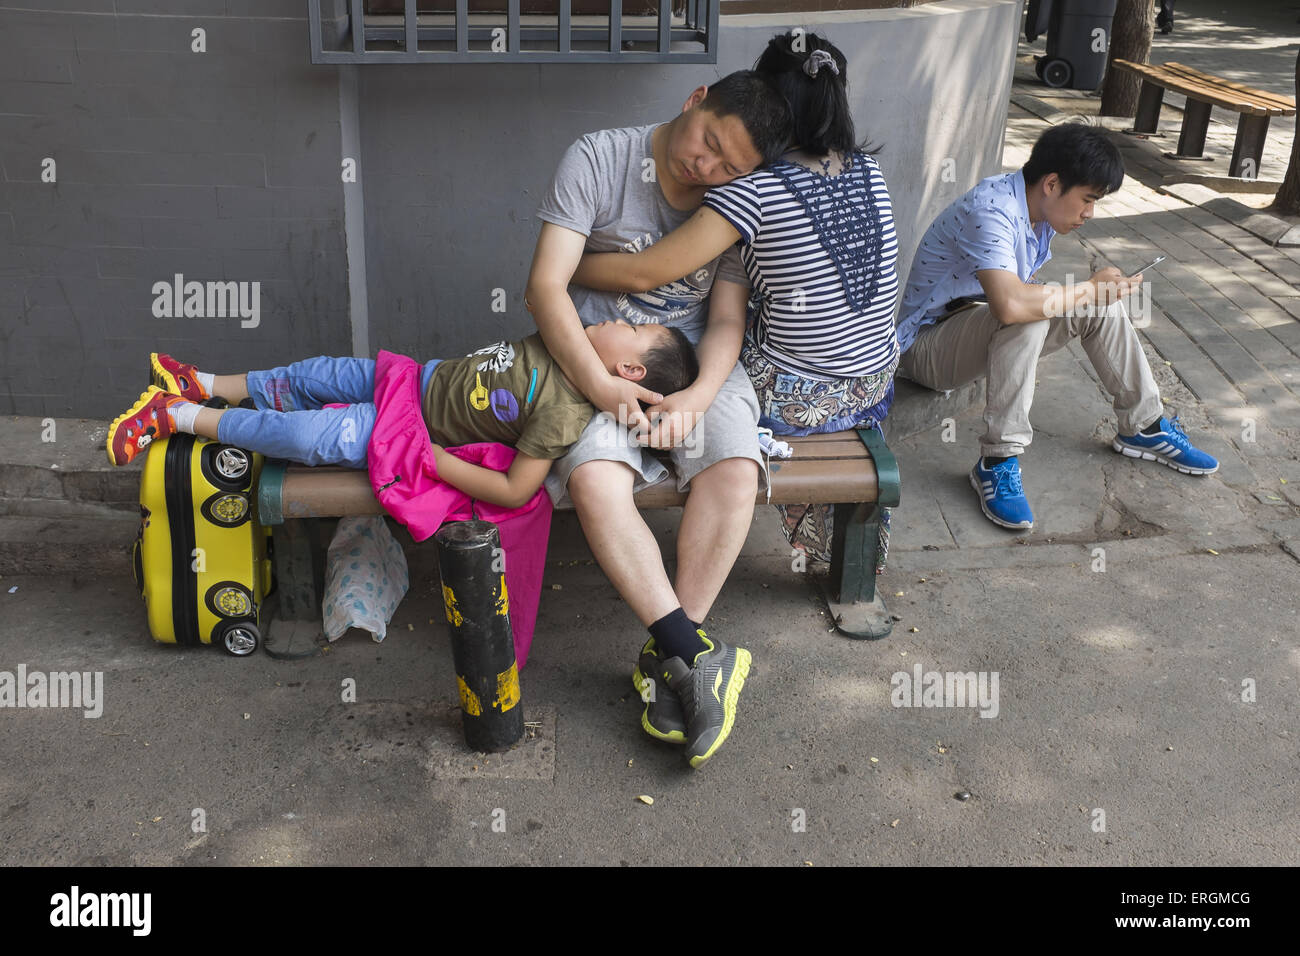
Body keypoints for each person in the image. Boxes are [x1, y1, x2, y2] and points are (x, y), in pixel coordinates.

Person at [524, 70, 791, 768]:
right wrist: (598, 386)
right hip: (596, 359)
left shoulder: (735, 197)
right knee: (595, 482)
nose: (706, 167)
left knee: (734, 471)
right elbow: (544, 285)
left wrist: (700, 395)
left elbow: (729, 316)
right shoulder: (599, 158)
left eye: (731, 166)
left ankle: (670, 653)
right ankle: (695, 656)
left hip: (697, 364)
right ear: (695, 99)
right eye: (708, 143)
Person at [572, 31, 900, 573]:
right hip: (871, 384)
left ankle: (686, 442)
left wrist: (566, 269)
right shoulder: (867, 167)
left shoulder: (752, 188)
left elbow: (645, 270)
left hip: (799, 397)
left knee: (703, 339)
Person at [896, 122, 1218, 531]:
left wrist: (1095, 293)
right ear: (1051, 183)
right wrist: (1086, 289)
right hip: (926, 348)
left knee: (1097, 304)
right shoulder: (991, 210)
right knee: (1032, 315)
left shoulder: (1037, 212)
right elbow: (1011, 305)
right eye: (1087, 199)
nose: (1089, 213)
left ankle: (1145, 426)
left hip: (969, 327)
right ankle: (997, 462)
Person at [104, 324, 698, 516]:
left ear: (630, 370)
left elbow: (518, 491)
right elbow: (547, 290)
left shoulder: (564, 414)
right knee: (312, 375)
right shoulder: (568, 336)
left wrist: (430, 458)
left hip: (407, 430)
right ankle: (205, 383)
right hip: (412, 378)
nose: (619, 318)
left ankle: (179, 416)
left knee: (300, 436)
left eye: (636, 328)